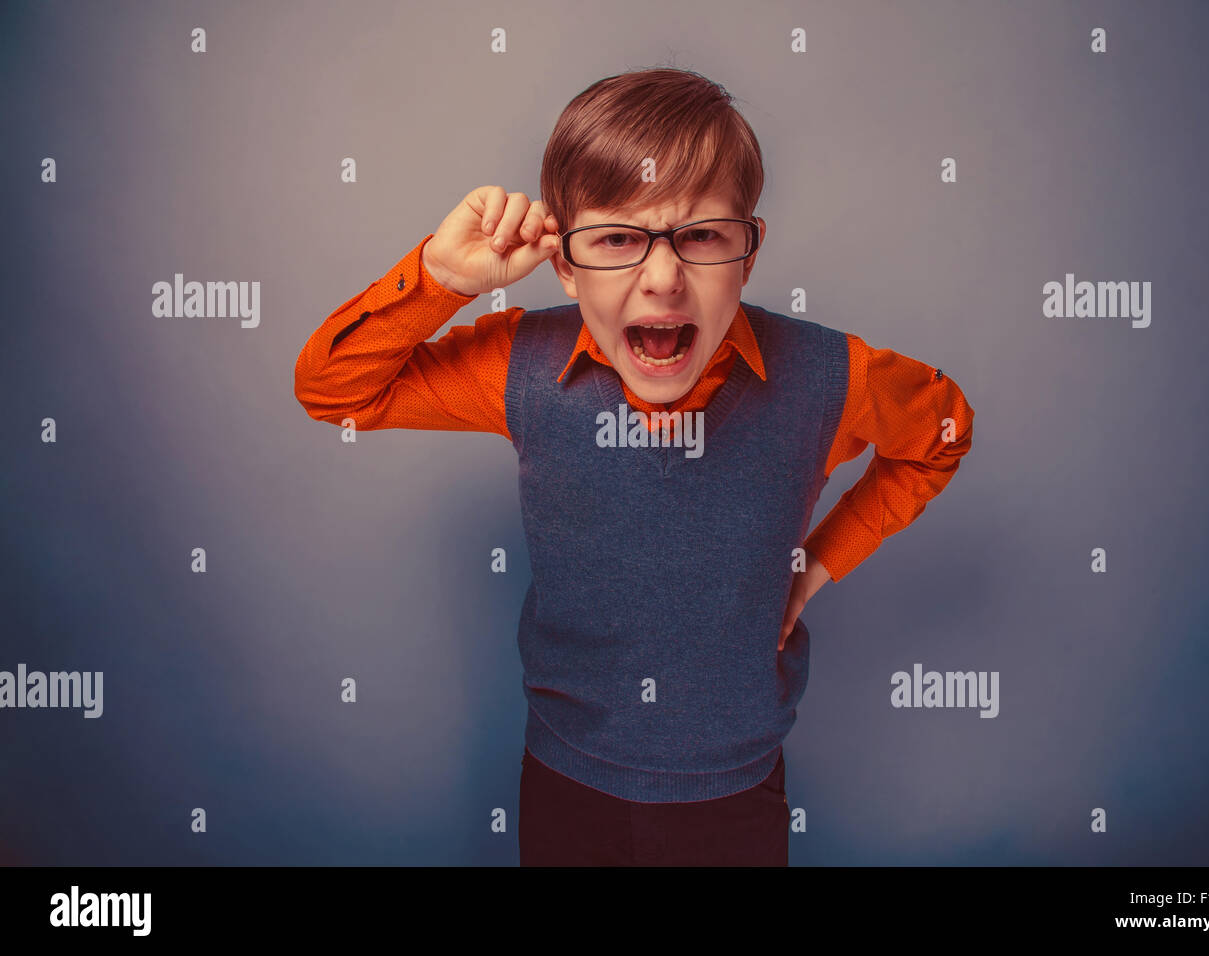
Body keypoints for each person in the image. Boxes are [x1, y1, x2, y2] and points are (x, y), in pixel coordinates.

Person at [294, 67, 975, 866]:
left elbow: (943, 432)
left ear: (748, 254)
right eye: (617, 239)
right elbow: (333, 389)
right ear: (566, 263)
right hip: (565, 779)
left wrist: (817, 564)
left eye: (702, 235)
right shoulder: (521, 365)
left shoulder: (827, 377)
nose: (661, 277)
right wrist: (443, 279)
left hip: (736, 792)